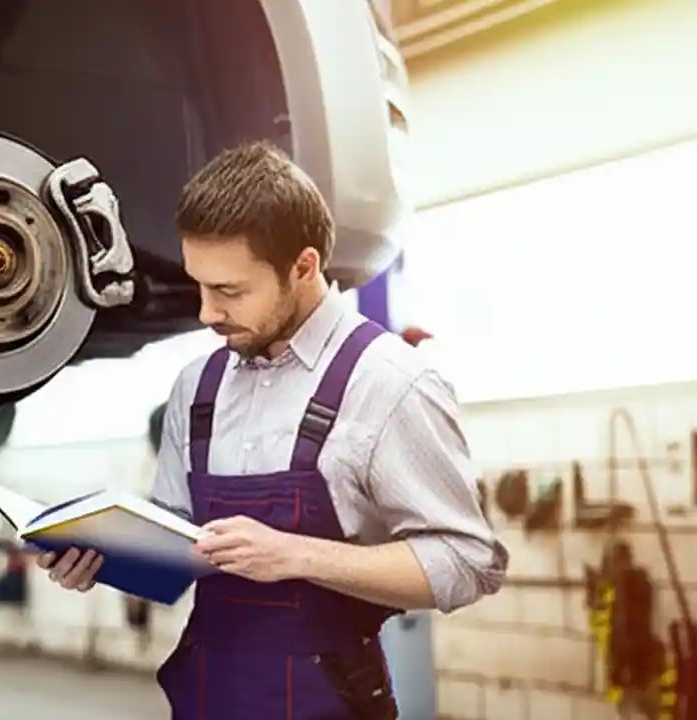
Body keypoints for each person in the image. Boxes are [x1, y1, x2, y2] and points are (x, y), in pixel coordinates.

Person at [37, 139, 508, 718]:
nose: (207, 313)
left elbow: (467, 562)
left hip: (327, 700)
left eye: (229, 291)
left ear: (303, 267)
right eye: (199, 286)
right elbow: (181, 543)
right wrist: (107, 557)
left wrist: (297, 555)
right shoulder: (195, 387)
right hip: (208, 696)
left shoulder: (389, 384)